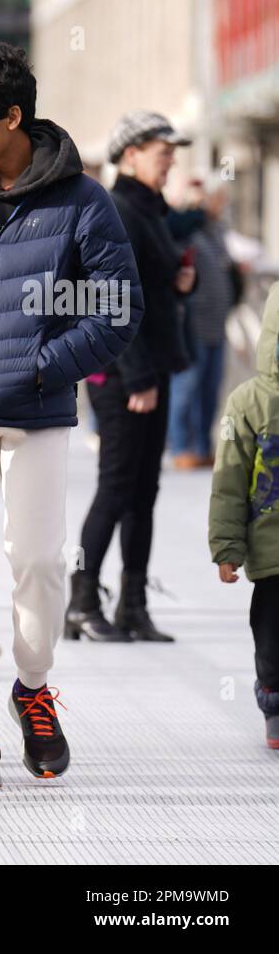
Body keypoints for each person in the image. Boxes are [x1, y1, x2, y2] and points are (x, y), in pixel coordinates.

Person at [0, 40, 142, 791]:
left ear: (13, 116)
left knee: (40, 566)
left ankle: (34, 687)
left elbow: (118, 306)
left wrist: (44, 362)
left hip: (41, 412)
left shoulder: (82, 201)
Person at [71, 111, 196, 645]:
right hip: (122, 374)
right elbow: (112, 298)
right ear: (129, 155)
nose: (170, 159)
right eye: (160, 150)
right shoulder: (119, 207)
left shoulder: (149, 209)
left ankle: (134, 604)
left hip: (151, 368)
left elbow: (150, 286)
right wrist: (138, 373)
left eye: (171, 150)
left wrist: (180, 283)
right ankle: (80, 601)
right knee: (116, 487)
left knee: (145, 489)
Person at [210, 282, 279, 750]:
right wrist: (227, 548)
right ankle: (274, 704)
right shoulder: (249, 402)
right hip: (271, 556)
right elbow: (229, 481)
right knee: (272, 640)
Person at [169, 182, 240, 469]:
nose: (218, 205)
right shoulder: (186, 229)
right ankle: (181, 446)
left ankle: (202, 446)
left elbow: (227, 268)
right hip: (193, 324)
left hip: (217, 324)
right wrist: (196, 208)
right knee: (187, 388)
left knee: (210, 390)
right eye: (215, 199)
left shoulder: (218, 232)